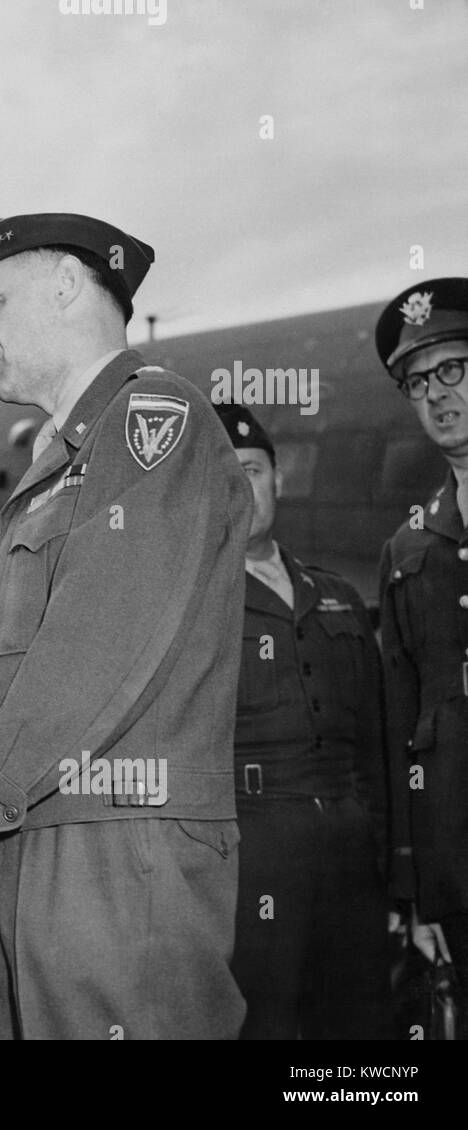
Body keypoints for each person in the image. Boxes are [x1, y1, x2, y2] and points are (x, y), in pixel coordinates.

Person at [0, 212, 252, 1039]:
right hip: (19, 832)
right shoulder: (55, 465)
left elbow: (105, 641)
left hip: (115, 852)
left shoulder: (153, 421)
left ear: (65, 286)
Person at [215, 403, 392, 1039]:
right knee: (261, 1023)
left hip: (352, 857)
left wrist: (395, 867)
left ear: (278, 480)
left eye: (252, 471)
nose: (241, 489)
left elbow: (379, 747)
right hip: (249, 859)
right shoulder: (190, 608)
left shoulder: (338, 594)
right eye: (222, 476)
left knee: (358, 1030)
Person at [376, 278, 468, 1017]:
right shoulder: (409, 547)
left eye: (455, 369)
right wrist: (415, 890)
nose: (436, 395)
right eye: (417, 382)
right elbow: (401, 726)